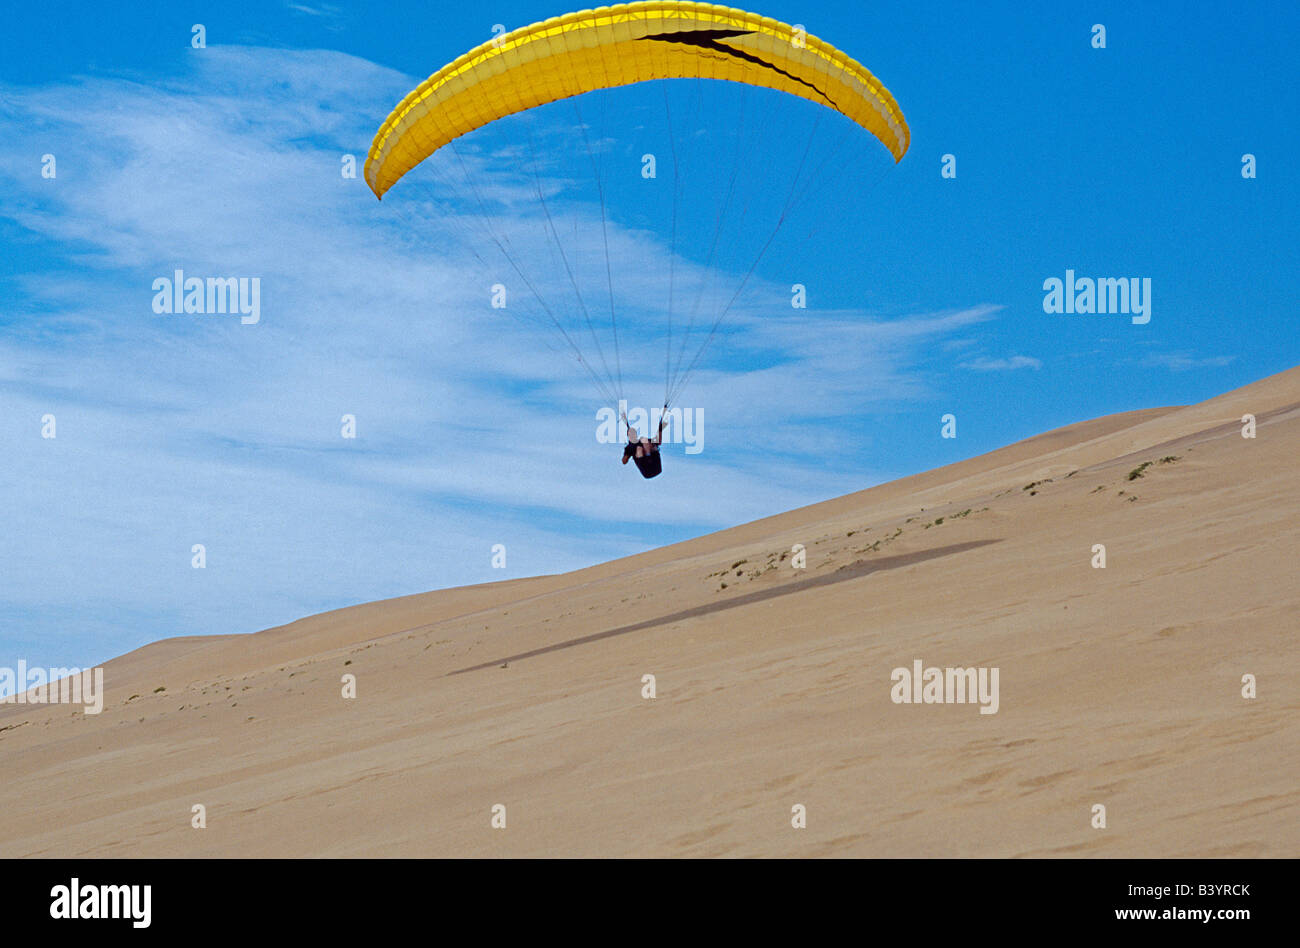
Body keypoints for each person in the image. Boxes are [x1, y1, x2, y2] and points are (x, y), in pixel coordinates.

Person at [621, 410, 666, 479]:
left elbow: (658, 442)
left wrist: (660, 429)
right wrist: (626, 456)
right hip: (647, 470)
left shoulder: (642, 441)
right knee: (639, 448)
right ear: (628, 436)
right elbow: (624, 461)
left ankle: (649, 457)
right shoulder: (629, 448)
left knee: (644, 440)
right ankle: (648, 458)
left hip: (656, 466)